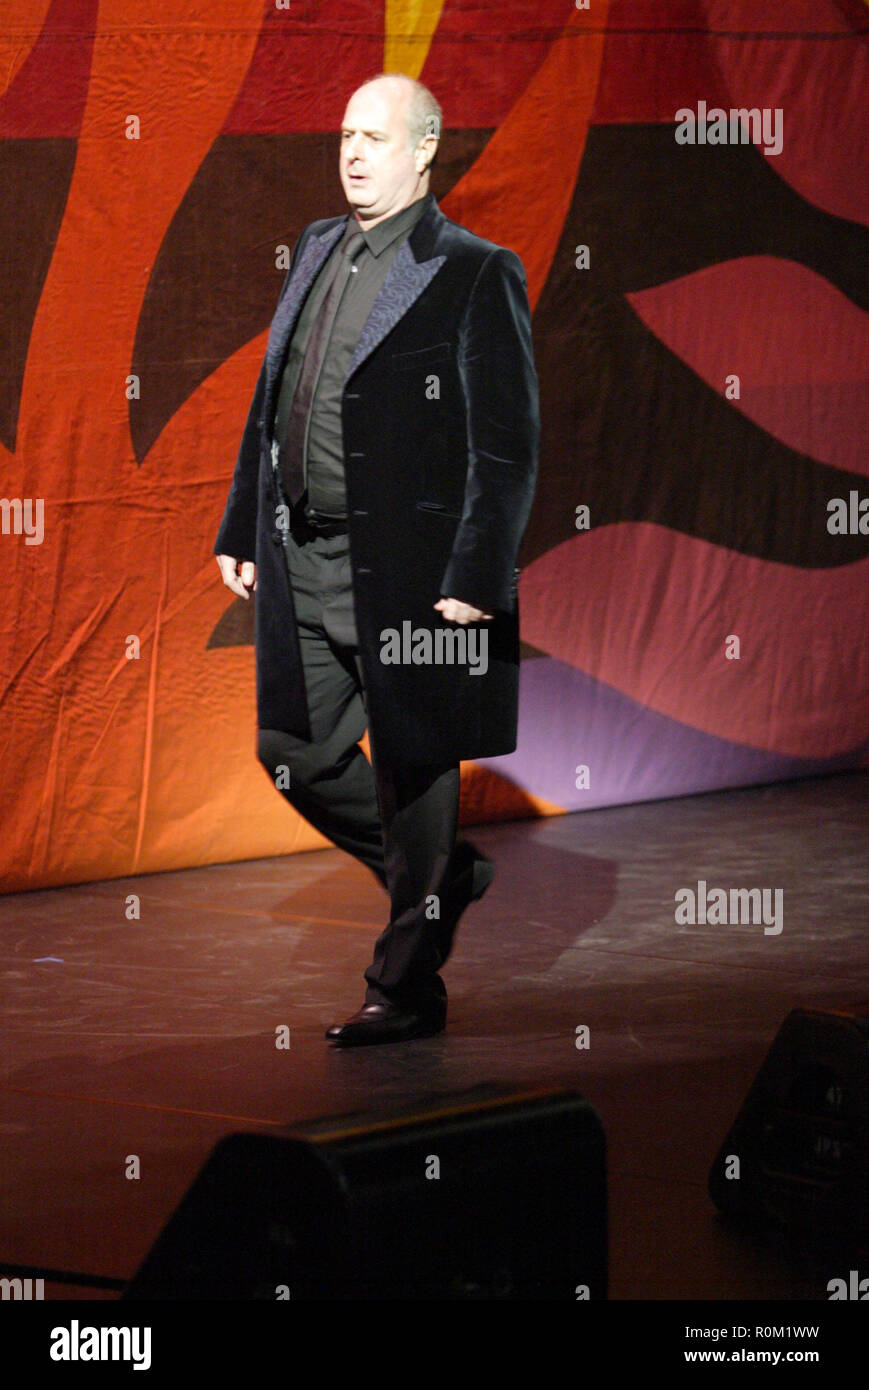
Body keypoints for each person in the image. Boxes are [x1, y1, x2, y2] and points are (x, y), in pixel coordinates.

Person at [214, 72, 538, 1046]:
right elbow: (270, 398)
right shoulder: (317, 245)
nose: (353, 152)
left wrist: (477, 578)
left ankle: (403, 986)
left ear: (425, 150)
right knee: (294, 758)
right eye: (346, 133)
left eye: (376, 137)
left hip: (413, 576)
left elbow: (505, 441)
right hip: (307, 559)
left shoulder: (474, 271)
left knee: (414, 768)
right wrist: (241, 526)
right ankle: (443, 875)